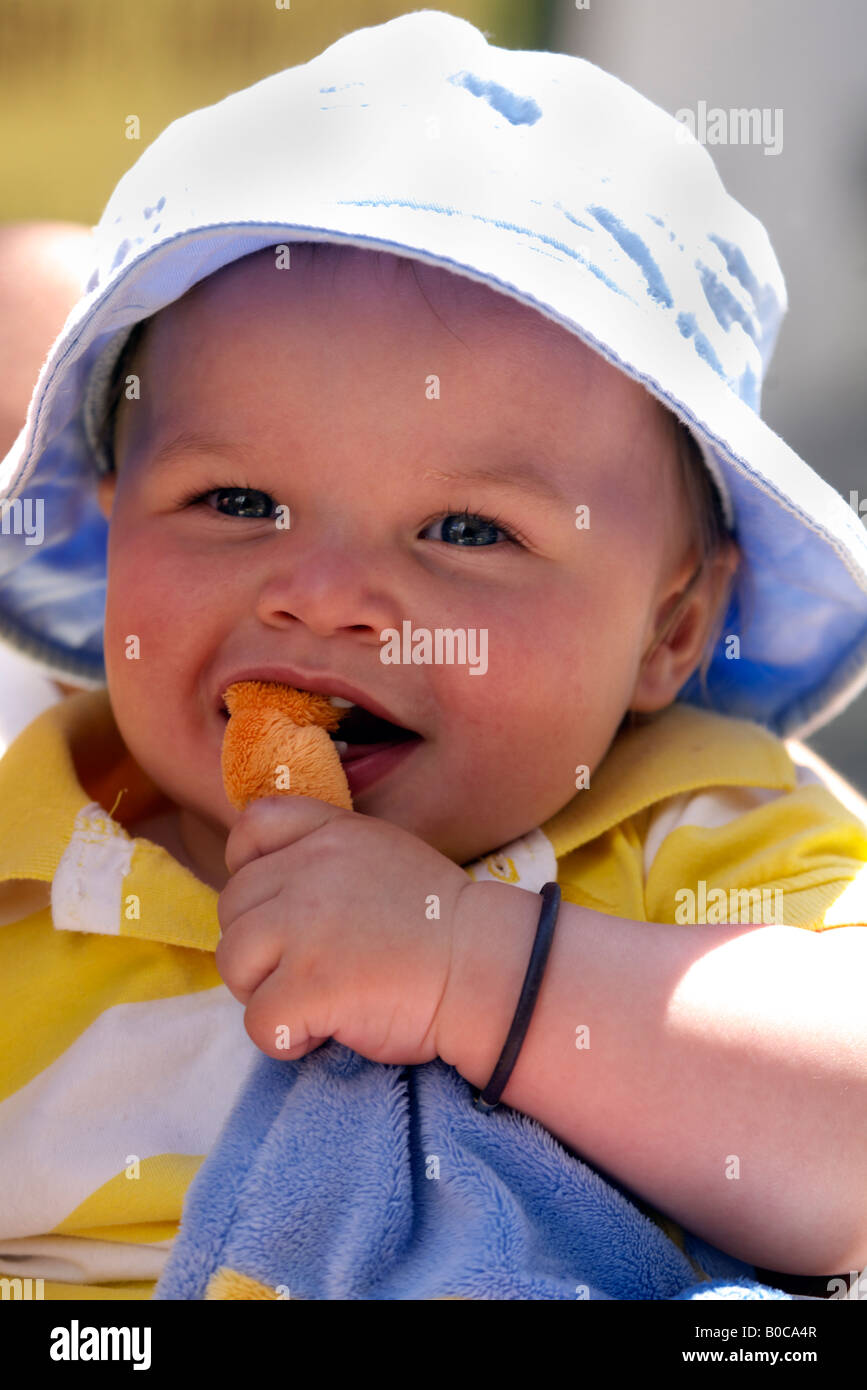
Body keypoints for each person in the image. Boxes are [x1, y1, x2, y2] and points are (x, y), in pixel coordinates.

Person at [0, 11, 865, 1302]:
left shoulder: (699, 833)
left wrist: (474, 968)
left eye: (467, 530)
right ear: (115, 511)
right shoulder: (31, 867)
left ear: (672, 626)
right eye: (237, 500)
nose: (325, 595)